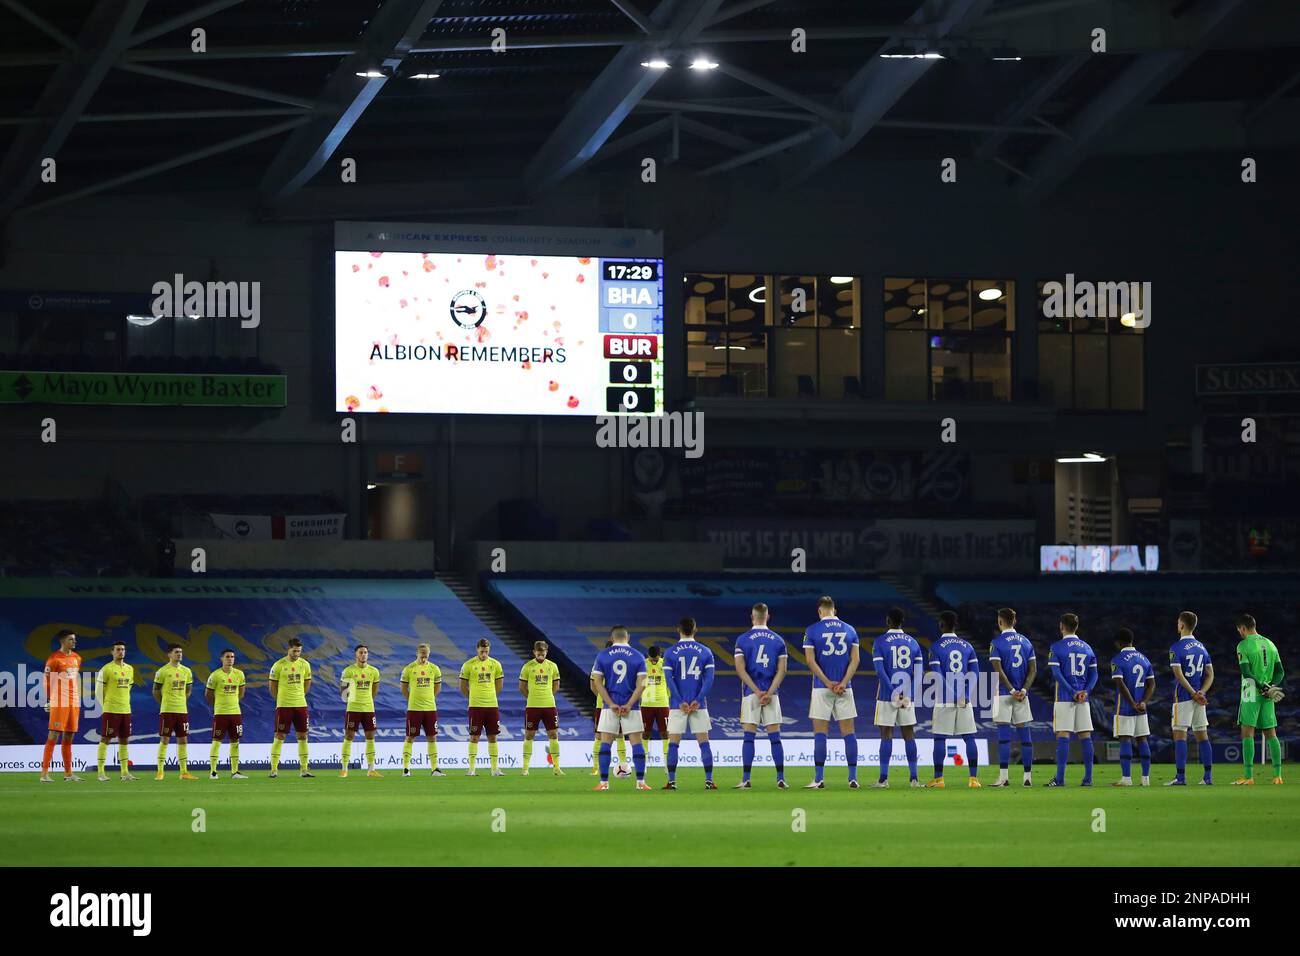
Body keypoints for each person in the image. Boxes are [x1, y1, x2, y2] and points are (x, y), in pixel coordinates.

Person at [733, 603, 788, 789]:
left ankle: (746, 779)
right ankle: (780, 778)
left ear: (752, 616)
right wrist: (770, 692)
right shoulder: (778, 640)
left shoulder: (742, 640)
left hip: (751, 693)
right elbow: (782, 670)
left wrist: (757, 692)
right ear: (768, 616)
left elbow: (740, 669)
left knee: (749, 737)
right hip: (772, 693)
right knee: (775, 737)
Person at [590, 626, 650, 791]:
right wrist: (630, 704)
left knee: (606, 743)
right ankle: (641, 783)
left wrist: (610, 703)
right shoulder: (638, 656)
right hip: (633, 707)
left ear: (612, 637)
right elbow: (642, 684)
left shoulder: (602, 655)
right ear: (628, 637)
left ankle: (603, 783)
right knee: (637, 743)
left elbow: (597, 682)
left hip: (610, 707)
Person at [927, 611, 981, 789]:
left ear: (941, 625)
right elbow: (975, 673)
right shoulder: (967, 646)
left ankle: (939, 779)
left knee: (940, 739)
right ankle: (973, 779)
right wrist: (964, 694)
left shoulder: (935, 647)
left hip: (944, 698)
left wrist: (952, 694)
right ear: (955, 625)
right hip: (964, 699)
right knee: (969, 737)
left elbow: (937, 674)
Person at [662, 618, 717, 790]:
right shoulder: (705, 651)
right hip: (698, 705)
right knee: (704, 742)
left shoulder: (670, 652)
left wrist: (679, 700)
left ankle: (672, 782)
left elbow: (669, 680)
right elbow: (709, 679)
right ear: (695, 630)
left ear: (678, 629)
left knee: (673, 743)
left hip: (677, 705)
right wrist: (698, 699)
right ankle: (709, 780)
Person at [871, 607, 922, 788]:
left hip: (886, 696)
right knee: (909, 734)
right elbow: (919, 672)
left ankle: (883, 779)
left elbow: (880, 671)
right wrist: (908, 694)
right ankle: (914, 779)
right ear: (903, 621)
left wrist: (893, 692)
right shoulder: (913, 643)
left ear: (887, 621)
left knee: (886, 734)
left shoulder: (880, 642)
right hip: (907, 697)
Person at [1233, 613, 1285, 785]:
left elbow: (1246, 672)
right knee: (1271, 733)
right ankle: (1278, 776)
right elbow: (1280, 672)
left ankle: (1249, 777)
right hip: (1268, 695)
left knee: (1247, 733)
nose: (1240, 633)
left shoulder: (1243, 645)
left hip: (1251, 694)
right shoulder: (1271, 644)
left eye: (1239, 630)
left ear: (1242, 628)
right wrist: (1271, 687)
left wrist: (1262, 687)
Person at [1046, 612, 1097, 788]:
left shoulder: (1056, 647)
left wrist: (1072, 692)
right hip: (1083, 699)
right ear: (1076, 626)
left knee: (1063, 734)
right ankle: (1088, 778)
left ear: (1061, 626)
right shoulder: (1087, 648)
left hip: (1064, 697)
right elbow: (1094, 674)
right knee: (1085, 736)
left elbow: (1056, 674)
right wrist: (1085, 692)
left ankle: (1060, 779)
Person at [989, 607, 1036, 787]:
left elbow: (997, 669)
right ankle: (1027, 778)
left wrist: (1010, 690)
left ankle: (1004, 777)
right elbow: (1033, 670)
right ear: (1015, 621)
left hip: (1003, 694)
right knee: (1025, 737)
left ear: (1000, 622)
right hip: (1022, 696)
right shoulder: (1026, 642)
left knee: (1004, 737)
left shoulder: (997, 643)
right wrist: (1023, 689)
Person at [1167, 610, 1214, 786]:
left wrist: (1193, 693)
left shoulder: (1176, 648)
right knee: (1203, 736)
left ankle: (1181, 777)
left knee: (1180, 735)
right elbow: (1210, 674)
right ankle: (1207, 777)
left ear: (1181, 625)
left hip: (1184, 697)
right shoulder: (1202, 647)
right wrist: (1202, 692)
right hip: (1200, 698)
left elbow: (1178, 675)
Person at [1110, 629, 1155, 787]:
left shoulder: (1117, 660)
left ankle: (1127, 778)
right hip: (1141, 709)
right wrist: (1144, 702)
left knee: (1125, 739)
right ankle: (1145, 778)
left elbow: (1120, 685)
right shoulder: (1144, 659)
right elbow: (1152, 684)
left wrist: (1132, 704)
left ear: (1118, 642)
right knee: (1142, 739)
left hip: (1125, 708)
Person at [268, 636, 314, 778]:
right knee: (280, 735)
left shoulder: (305, 664)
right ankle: (274, 769)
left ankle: (304, 769)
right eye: (294, 651)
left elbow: (307, 683)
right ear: (288, 649)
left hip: (301, 705)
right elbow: (272, 687)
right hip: (284, 706)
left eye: (299, 651)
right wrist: (281, 699)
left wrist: (300, 695)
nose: (296, 654)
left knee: (303, 735)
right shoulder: (279, 665)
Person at [40, 630, 82, 783]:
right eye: (71, 639)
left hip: (74, 702)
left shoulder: (77, 658)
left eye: (74, 639)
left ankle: (68, 774)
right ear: (62, 641)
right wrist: (50, 700)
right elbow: (47, 681)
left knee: (69, 736)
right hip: (59, 701)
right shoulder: (54, 659)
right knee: (53, 735)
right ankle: (44, 774)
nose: (74, 642)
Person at [460, 638, 505, 777]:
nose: (484, 654)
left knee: (493, 737)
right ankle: (472, 769)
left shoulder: (495, 664)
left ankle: (495, 769)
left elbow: (499, 685)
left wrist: (490, 696)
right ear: (477, 649)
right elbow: (462, 686)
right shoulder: (468, 665)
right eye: (482, 651)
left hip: (492, 705)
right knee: (474, 737)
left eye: (486, 651)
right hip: (475, 706)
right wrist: (473, 697)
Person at [519, 641, 564, 776]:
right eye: (538, 653)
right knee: (529, 735)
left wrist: (548, 695)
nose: (540, 656)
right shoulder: (527, 667)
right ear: (534, 652)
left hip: (549, 705)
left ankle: (556, 767)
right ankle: (525, 768)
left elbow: (556, 684)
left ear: (546, 652)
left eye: (543, 654)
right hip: (533, 706)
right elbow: (522, 687)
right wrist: (531, 697)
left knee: (553, 734)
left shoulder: (552, 666)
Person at [153, 643, 197, 781]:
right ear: (169, 654)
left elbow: (188, 690)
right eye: (176, 652)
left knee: (183, 740)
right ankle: (160, 771)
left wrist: (181, 701)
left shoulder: (187, 671)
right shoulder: (162, 671)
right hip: (167, 710)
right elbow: (155, 691)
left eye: (181, 652)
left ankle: (184, 772)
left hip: (182, 710)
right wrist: (165, 703)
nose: (179, 654)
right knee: (165, 739)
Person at [400, 643, 444, 777]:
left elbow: (437, 688)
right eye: (422, 655)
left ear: (429, 654)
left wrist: (429, 698)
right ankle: (406, 769)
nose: (424, 658)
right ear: (417, 653)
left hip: (430, 709)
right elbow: (403, 688)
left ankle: (435, 769)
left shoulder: (434, 669)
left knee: (432, 737)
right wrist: (412, 699)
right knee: (410, 737)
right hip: (414, 709)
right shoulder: (409, 669)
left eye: (426, 655)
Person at [95, 640, 135, 781]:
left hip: (126, 709)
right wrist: (105, 705)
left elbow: (128, 687)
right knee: (106, 738)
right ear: (112, 652)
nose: (121, 652)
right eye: (118, 649)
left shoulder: (130, 669)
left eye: (123, 649)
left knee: (124, 740)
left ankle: (125, 772)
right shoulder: (106, 669)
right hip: (111, 710)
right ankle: (101, 772)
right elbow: (98, 691)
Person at [340, 644, 382, 778]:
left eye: (365, 652)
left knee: (370, 737)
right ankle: (345, 769)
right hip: (353, 709)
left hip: (368, 709)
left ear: (368, 655)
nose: (363, 655)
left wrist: (367, 700)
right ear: (356, 655)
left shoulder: (374, 671)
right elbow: (344, 694)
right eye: (361, 652)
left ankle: (371, 769)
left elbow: (374, 690)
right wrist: (353, 702)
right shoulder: (348, 671)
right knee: (349, 737)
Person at [205, 648, 247, 779]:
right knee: (217, 741)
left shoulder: (239, 674)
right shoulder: (215, 675)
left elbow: (241, 693)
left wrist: (232, 703)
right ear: (221, 659)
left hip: (235, 713)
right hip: (221, 713)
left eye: (232, 657)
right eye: (227, 656)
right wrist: (219, 706)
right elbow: (208, 695)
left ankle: (235, 772)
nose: (230, 659)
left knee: (235, 741)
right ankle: (213, 772)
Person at [590, 639, 629, 777]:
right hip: (603, 705)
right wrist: (604, 697)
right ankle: (596, 767)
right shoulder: (599, 665)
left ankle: (623, 764)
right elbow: (593, 685)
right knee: (599, 736)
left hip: (619, 704)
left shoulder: (622, 664)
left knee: (620, 735)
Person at [640, 645, 671, 772]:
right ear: (648, 656)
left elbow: (671, 681)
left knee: (665, 734)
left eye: (656, 659)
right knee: (645, 734)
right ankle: (643, 765)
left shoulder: (665, 664)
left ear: (660, 655)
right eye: (651, 659)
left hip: (662, 703)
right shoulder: (642, 664)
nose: (653, 661)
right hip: (646, 704)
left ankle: (667, 765)